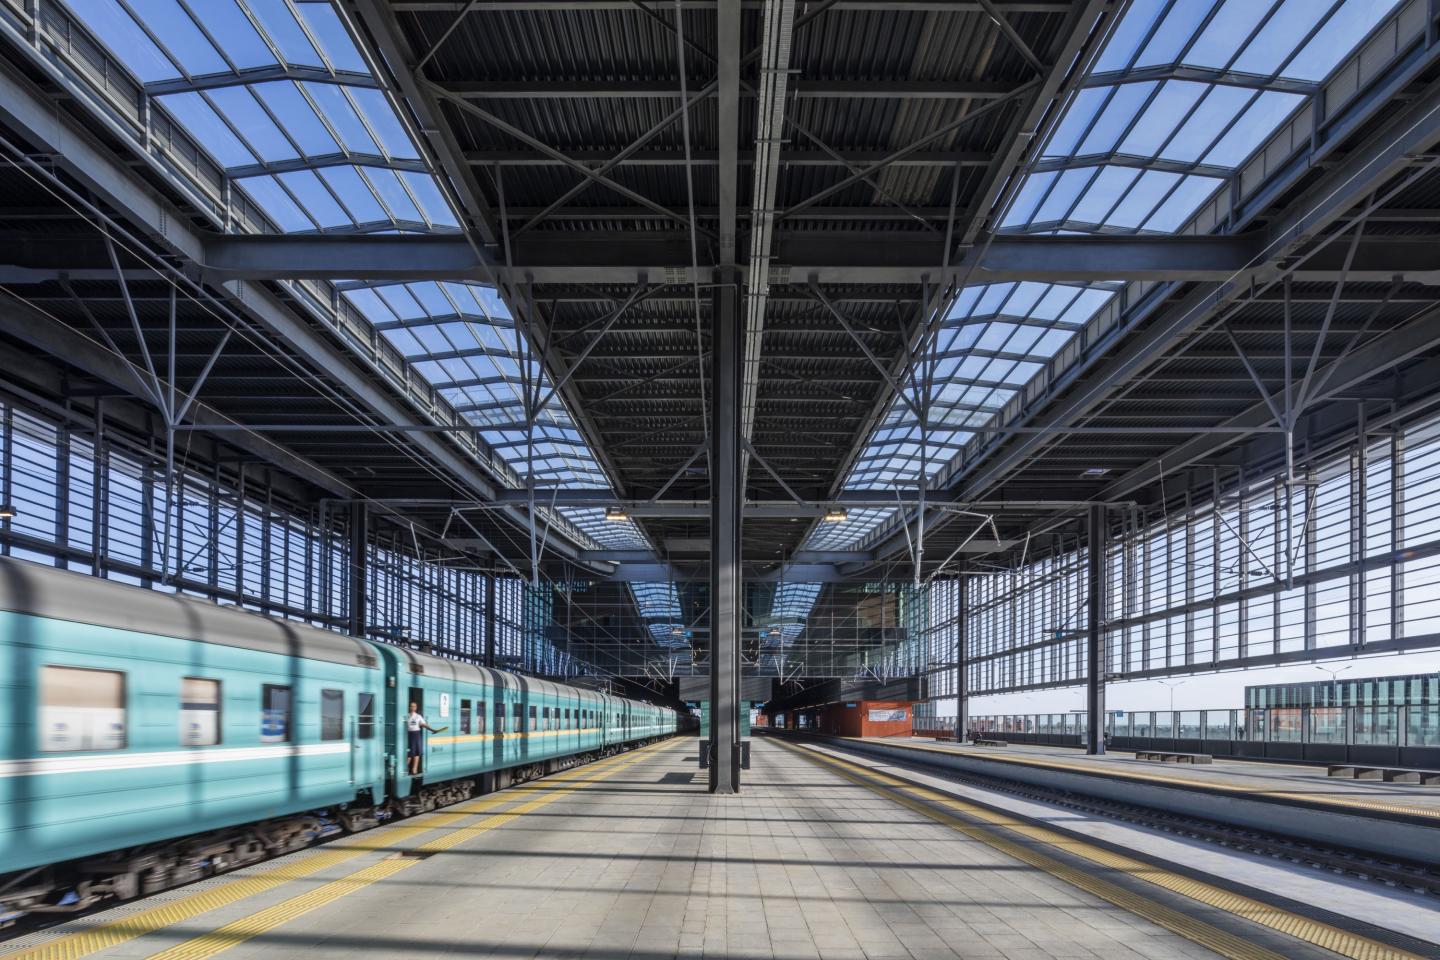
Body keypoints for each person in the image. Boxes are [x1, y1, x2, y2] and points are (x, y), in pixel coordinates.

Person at [406, 701, 437, 775]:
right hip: (408, 734)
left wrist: (433, 730)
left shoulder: (418, 716)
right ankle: (405, 768)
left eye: (414, 706)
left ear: (416, 708)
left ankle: (414, 769)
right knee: (409, 753)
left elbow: (424, 724)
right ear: (409, 707)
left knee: (417, 752)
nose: (413, 707)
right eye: (411, 706)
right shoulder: (406, 715)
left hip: (416, 734)